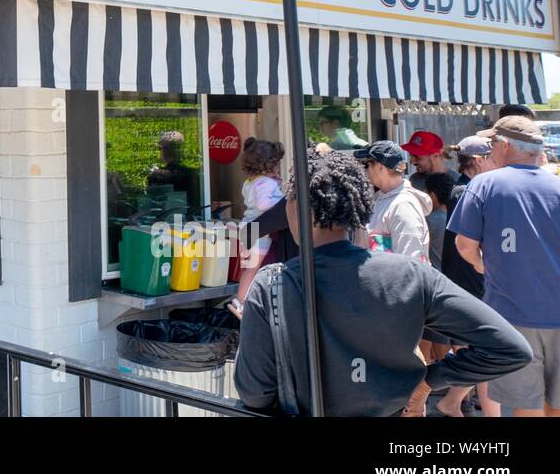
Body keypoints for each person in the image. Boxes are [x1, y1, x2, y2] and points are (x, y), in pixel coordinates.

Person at [233, 151, 532, 416]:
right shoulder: (413, 275)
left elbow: (254, 394)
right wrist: (427, 382)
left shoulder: (271, 286)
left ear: (299, 210)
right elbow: (510, 348)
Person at [449, 114, 560, 418]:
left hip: (513, 315)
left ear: (507, 145)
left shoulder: (484, 185)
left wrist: (483, 265)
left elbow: (464, 245)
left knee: (525, 405)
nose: (489, 148)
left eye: (492, 142)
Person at [436, 135, 501, 418]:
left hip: (463, 277)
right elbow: (473, 242)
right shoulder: (471, 191)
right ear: (478, 161)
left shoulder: (461, 189)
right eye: (491, 158)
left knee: (476, 348)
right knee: (487, 350)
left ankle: (454, 401)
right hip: (472, 278)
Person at [228, 138, 285, 320]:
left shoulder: (251, 181)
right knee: (253, 269)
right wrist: (281, 202)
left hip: (248, 227)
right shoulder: (265, 184)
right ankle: (241, 301)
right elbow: (263, 203)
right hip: (258, 230)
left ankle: (243, 299)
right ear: (270, 163)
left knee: (249, 268)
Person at [356, 140, 431, 262]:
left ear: (381, 167)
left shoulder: (403, 205)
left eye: (368, 164)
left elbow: (410, 263)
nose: (366, 170)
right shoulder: (380, 198)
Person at [402, 130, 447, 195]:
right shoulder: (414, 180)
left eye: (417, 157)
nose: (412, 161)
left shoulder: (457, 182)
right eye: (411, 156)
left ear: (435, 156)